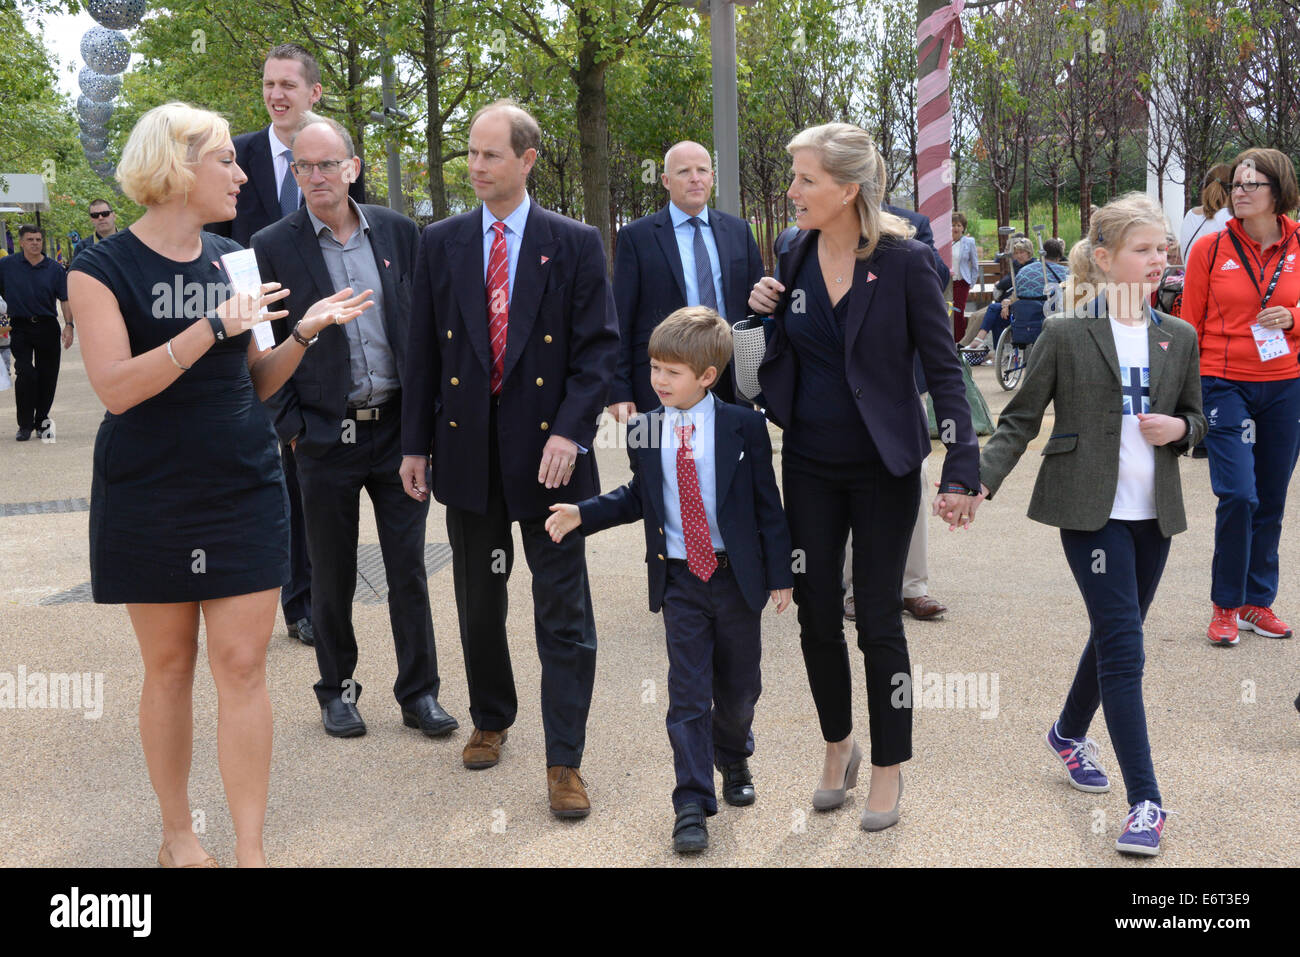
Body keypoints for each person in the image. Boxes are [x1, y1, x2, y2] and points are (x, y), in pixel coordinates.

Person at [66, 102, 373, 867]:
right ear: (177, 167)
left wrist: (302, 332)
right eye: (226, 162)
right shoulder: (97, 269)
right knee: (169, 666)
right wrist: (209, 325)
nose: (243, 173)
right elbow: (115, 388)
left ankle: (251, 850)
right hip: (149, 489)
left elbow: (259, 380)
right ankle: (178, 836)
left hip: (243, 480)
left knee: (243, 665)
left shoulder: (236, 260)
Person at [747, 122, 979, 833]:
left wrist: (960, 468)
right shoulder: (792, 250)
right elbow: (785, 345)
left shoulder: (907, 262)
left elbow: (943, 368)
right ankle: (838, 745)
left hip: (884, 467)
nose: (791, 192)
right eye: (793, 177)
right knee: (816, 613)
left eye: (804, 179)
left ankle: (888, 765)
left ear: (847, 189)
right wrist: (764, 309)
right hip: (810, 462)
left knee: (878, 620)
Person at [399, 100, 619, 818]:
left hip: (551, 460)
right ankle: (490, 717)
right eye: (470, 153)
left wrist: (570, 431)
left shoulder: (575, 242)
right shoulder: (444, 241)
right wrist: (413, 444)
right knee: (478, 598)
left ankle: (565, 760)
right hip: (467, 455)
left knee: (562, 611)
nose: (476, 166)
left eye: (490, 154)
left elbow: (598, 351)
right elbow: (423, 351)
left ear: (526, 159)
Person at [978, 193, 1206, 856]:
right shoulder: (1067, 332)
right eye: (1143, 248)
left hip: (1152, 517)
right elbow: (1019, 420)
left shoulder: (1179, 336)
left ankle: (1067, 732)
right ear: (1104, 260)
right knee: (1125, 648)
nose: (1157, 259)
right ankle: (1147, 804)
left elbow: (1198, 419)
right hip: (1088, 513)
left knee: (1116, 634)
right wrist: (977, 482)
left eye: (1163, 248)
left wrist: (1181, 428)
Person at [546, 307, 793, 853]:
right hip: (680, 580)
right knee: (686, 693)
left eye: (672, 371)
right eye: (655, 367)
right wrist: (583, 513)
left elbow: (767, 508)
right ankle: (690, 801)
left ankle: (733, 754)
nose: (658, 380)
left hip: (735, 581)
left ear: (707, 376)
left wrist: (781, 574)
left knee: (739, 691)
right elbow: (639, 496)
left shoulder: (743, 426)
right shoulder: (645, 428)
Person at [252, 115, 457, 740]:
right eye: (303, 166)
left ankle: (419, 694)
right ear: (294, 174)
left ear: (352, 167)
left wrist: (426, 426)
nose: (315, 176)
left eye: (327, 164)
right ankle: (337, 692)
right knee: (331, 572)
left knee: (408, 571)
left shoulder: (399, 232)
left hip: (398, 433)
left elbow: (424, 331)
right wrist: (291, 426)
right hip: (322, 437)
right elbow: (262, 351)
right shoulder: (271, 245)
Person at [209, 42, 366, 650]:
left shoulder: (336, 152)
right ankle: (274, 593)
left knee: (305, 461)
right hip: (251, 329)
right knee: (271, 460)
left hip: (319, 335)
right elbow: (215, 241)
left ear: (313, 92)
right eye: (269, 83)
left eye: (288, 85)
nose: (276, 95)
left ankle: (304, 598)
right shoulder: (238, 157)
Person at [1181, 148, 1300, 646]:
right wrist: (1180, 395)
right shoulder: (1210, 247)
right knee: (1238, 494)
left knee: (1270, 498)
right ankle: (1226, 605)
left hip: (1285, 383)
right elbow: (1187, 322)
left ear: (1279, 192)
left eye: (1252, 184)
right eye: (1237, 185)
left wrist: (1294, 317)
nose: (1241, 192)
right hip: (1222, 383)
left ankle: (1257, 602)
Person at [609, 141, 764, 416]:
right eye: (684, 172)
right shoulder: (637, 237)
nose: (695, 178)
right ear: (666, 181)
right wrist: (619, 390)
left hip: (729, 377)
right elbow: (621, 316)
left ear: (712, 178)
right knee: (664, 458)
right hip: (663, 379)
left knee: (730, 456)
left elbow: (755, 312)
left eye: (702, 170)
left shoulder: (739, 231)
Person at [0, 224, 74, 441]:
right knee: (26, 373)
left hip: (48, 325)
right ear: (21, 242)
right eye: (30, 239)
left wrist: (69, 325)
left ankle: (42, 422)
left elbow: (65, 299)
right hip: (20, 326)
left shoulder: (54, 268)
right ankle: (24, 425)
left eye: (38, 240)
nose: (35, 243)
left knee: (48, 376)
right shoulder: (6, 266)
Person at [965, 236, 1035, 353]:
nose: (1018, 255)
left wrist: (1008, 302)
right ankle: (999, 353)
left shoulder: (1030, 267)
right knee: (996, 318)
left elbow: (1021, 290)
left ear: (1029, 253)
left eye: (1021, 252)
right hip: (1012, 304)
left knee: (992, 308)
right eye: (1016, 253)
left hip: (1025, 307)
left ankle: (979, 339)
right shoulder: (1018, 265)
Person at [1178, 163, 1233, 259]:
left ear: (1205, 187)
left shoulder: (1190, 215)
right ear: (1233, 189)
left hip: (1191, 273)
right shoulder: (1230, 217)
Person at [951, 211, 979, 342]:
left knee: (957, 312)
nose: (955, 228)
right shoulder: (945, 242)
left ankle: (960, 342)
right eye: (953, 225)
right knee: (946, 312)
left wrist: (971, 283)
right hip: (947, 283)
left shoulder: (969, 242)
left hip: (962, 283)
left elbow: (975, 265)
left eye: (958, 225)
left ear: (963, 227)